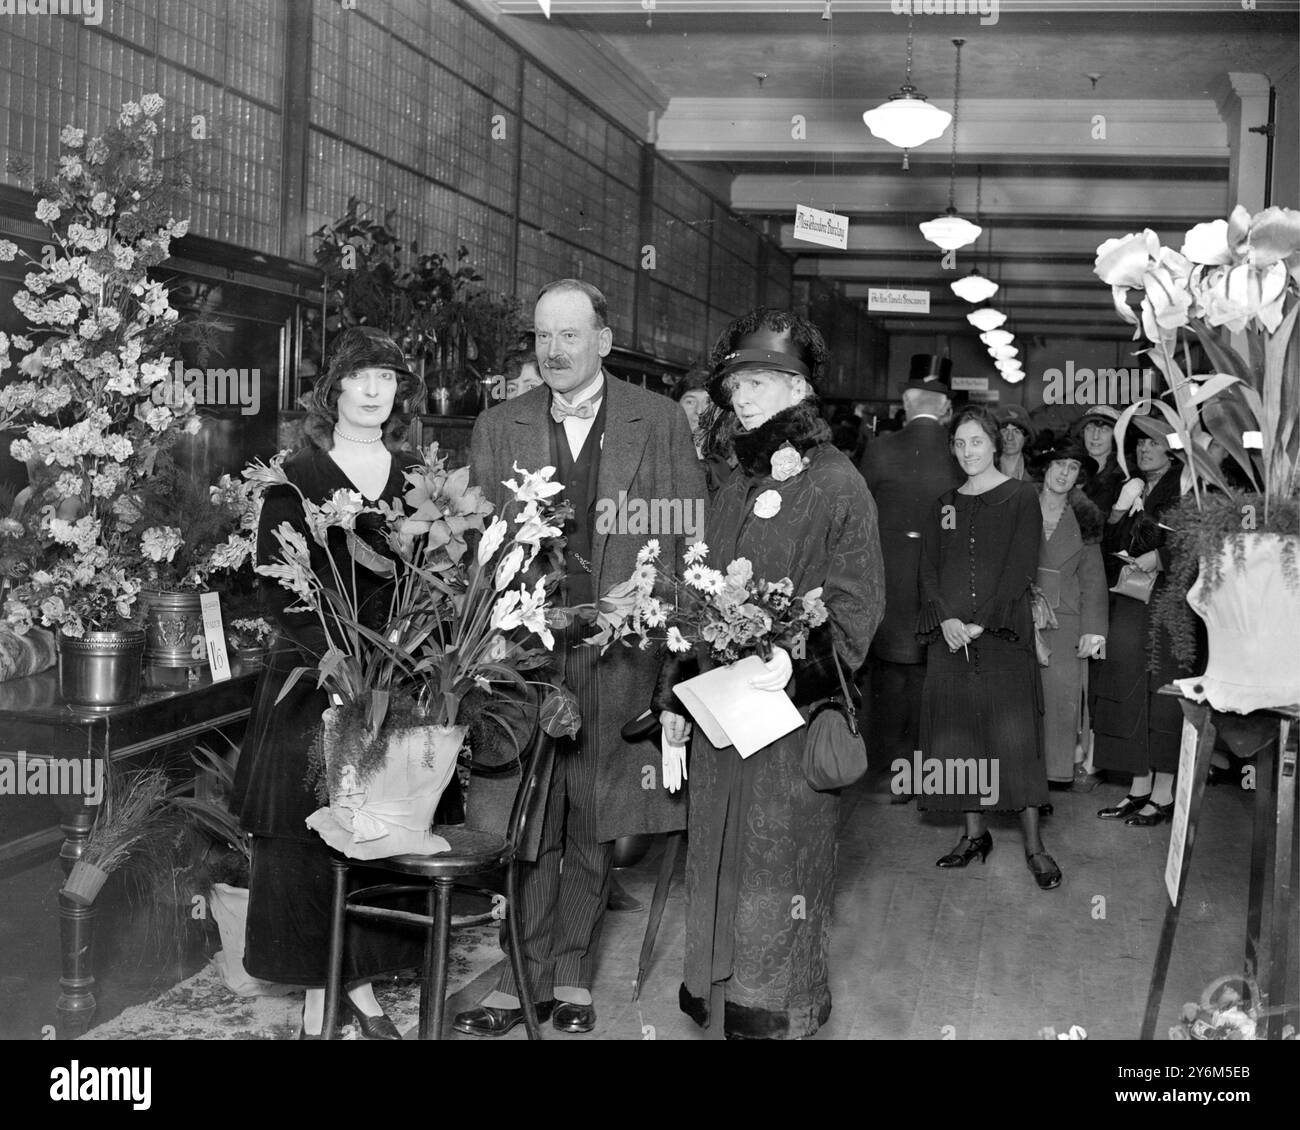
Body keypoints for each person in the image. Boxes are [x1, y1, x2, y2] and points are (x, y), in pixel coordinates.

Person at [453, 279, 705, 1037]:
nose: (554, 351)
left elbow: (686, 537)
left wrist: (663, 623)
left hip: (619, 650)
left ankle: (571, 974)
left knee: (596, 817)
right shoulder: (500, 426)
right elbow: (475, 545)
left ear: (603, 339)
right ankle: (516, 975)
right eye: (542, 336)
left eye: (569, 336)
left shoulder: (656, 422)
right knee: (526, 816)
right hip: (523, 654)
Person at [657, 308, 885, 1040]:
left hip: (787, 723)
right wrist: (676, 696)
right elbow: (697, 594)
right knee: (719, 853)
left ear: (798, 389)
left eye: (760, 381)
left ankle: (779, 1003)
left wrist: (794, 662)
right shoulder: (731, 482)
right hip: (721, 716)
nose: (742, 396)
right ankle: (715, 988)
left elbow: (857, 609)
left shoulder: (837, 483)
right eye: (736, 383)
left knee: (780, 859)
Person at [231, 327, 427, 1039]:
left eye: (387, 376)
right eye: (360, 377)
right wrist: (336, 663)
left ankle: (362, 988)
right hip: (310, 682)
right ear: (334, 389)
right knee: (306, 847)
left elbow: (432, 582)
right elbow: (277, 593)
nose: (375, 389)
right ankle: (323, 998)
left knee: (373, 840)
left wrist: (402, 656)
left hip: (389, 680)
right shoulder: (298, 475)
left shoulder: (415, 479)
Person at [917, 405, 1061, 890]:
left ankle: (1035, 847)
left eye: (975, 441)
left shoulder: (1021, 496)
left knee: (1013, 738)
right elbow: (928, 570)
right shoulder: (945, 503)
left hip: (1002, 637)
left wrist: (980, 624)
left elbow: (1021, 566)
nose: (967, 452)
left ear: (995, 444)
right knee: (959, 736)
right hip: (951, 638)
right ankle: (973, 835)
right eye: (958, 443)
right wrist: (948, 619)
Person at [859, 356, 962, 802]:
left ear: (905, 402)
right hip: (944, 586)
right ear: (946, 409)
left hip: (888, 585)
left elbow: (858, 517)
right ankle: (927, 772)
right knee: (931, 683)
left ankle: (886, 769)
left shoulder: (881, 448)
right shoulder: (961, 453)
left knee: (887, 684)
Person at [1092, 421, 1188, 826]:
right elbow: (1105, 547)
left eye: (1155, 441)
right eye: (1142, 441)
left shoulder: (1189, 485)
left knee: (1162, 694)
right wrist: (1118, 510)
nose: (1146, 448)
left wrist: (1161, 559)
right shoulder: (1132, 485)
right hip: (1131, 597)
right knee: (1128, 688)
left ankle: (1163, 793)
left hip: (1170, 603)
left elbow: (1203, 541)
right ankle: (1138, 786)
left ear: (1173, 449)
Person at [1032, 438, 1108, 788]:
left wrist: (1093, 631)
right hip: (1018, 614)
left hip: (1065, 621)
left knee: (1061, 703)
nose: (1064, 473)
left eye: (1073, 467)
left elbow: (1093, 580)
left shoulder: (1086, 517)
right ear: (1045, 466)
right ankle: (1017, 776)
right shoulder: (1017, 502)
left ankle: (1049, 777)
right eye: (1059, 463)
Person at [671, 366, 732, 495]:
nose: (699, 411)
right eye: (690, 402)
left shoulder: (733, 455)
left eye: (708, 402)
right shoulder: (661, 450)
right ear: (675, 406)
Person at [1076, 405, 1125, 516]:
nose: (1095, 436)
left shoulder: (1122, 478)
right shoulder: (1070, 468)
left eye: (1104, 430)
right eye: (1090, 428)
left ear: (1116, 436)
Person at [995, 403, 1034, 480]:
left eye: (1016, 431)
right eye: (1004, 431)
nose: (1009, 437)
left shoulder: (1036, 473)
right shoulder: (983, 470)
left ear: (1026, 438)